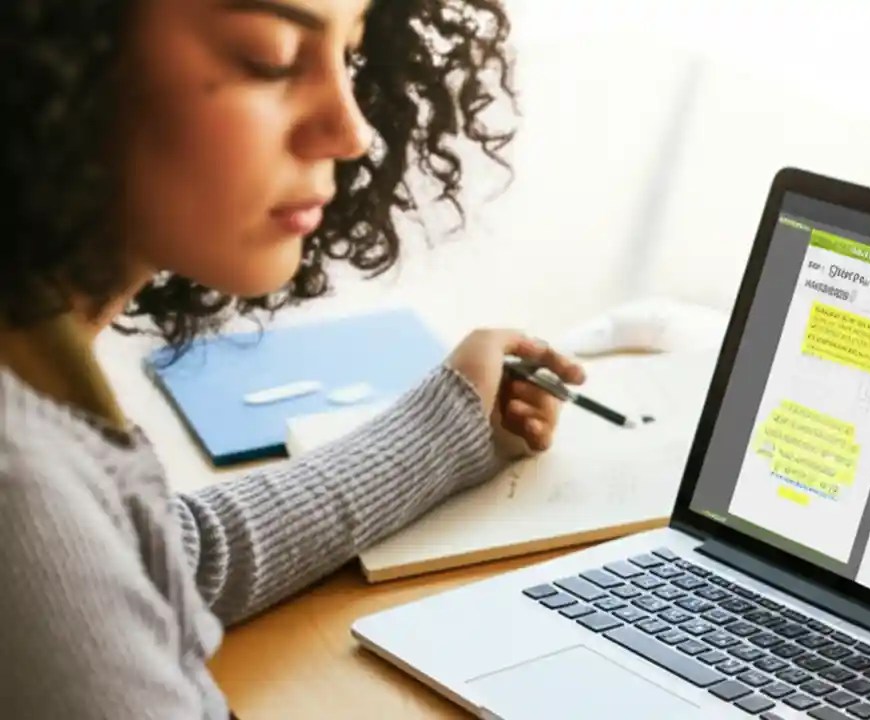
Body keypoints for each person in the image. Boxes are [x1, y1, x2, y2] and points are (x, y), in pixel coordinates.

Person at [0, 1, 583, 717]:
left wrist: (450, 425)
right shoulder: (18, 480)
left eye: (351, 56)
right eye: (271, 57)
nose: (351, 130)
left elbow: (163, 560)